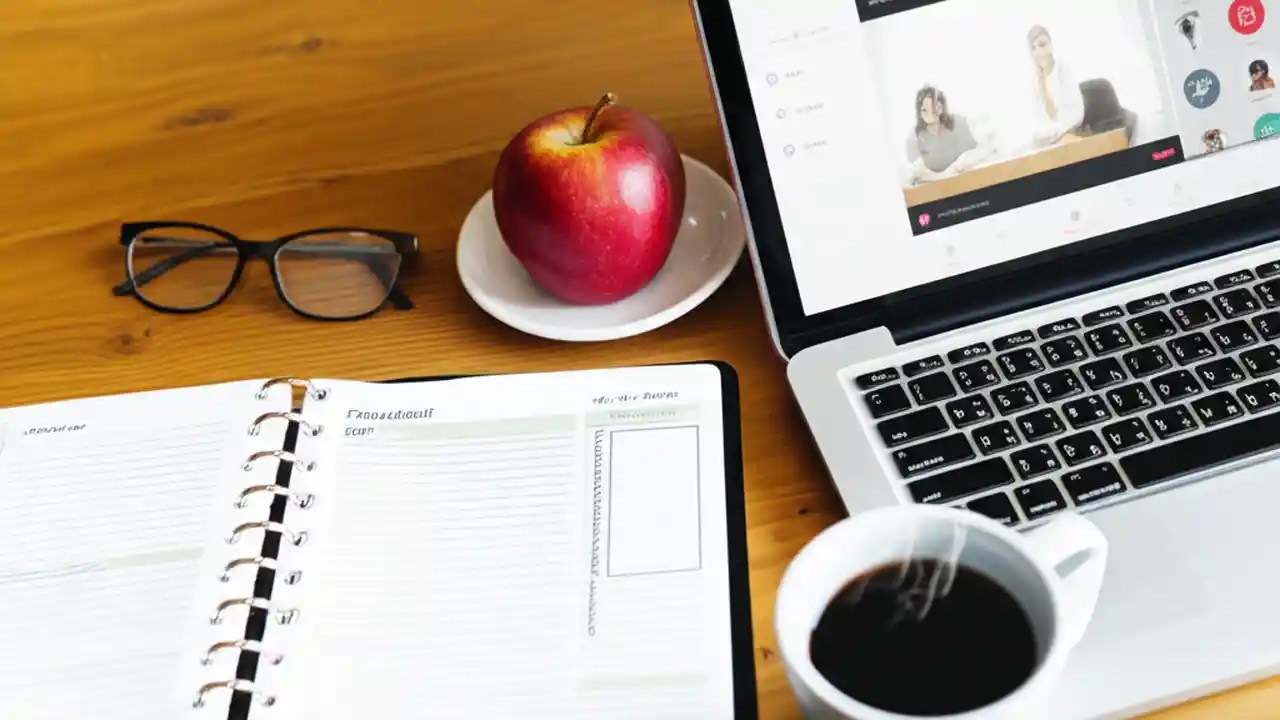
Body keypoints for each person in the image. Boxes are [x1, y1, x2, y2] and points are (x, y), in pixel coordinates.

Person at [904, 85, 994, 183]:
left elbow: (981, 150)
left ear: (941, 107)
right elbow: (916, 172)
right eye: (925, 109)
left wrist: (961, 164)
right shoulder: (915, 138)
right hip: (934, 187)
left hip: (970, 180)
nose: (930, 113)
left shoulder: (959, 123)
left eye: (934, 107)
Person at [1027, 25, 1085, 148]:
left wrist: (1054, 133)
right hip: (1047, 141)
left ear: (1051, 44)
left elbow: (1076, 114)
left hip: (1069, 133)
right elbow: (1035, 121)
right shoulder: (1034, 81)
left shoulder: (1064, 69)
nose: (1039, 52)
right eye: (1033, 48)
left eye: (1042, 45)